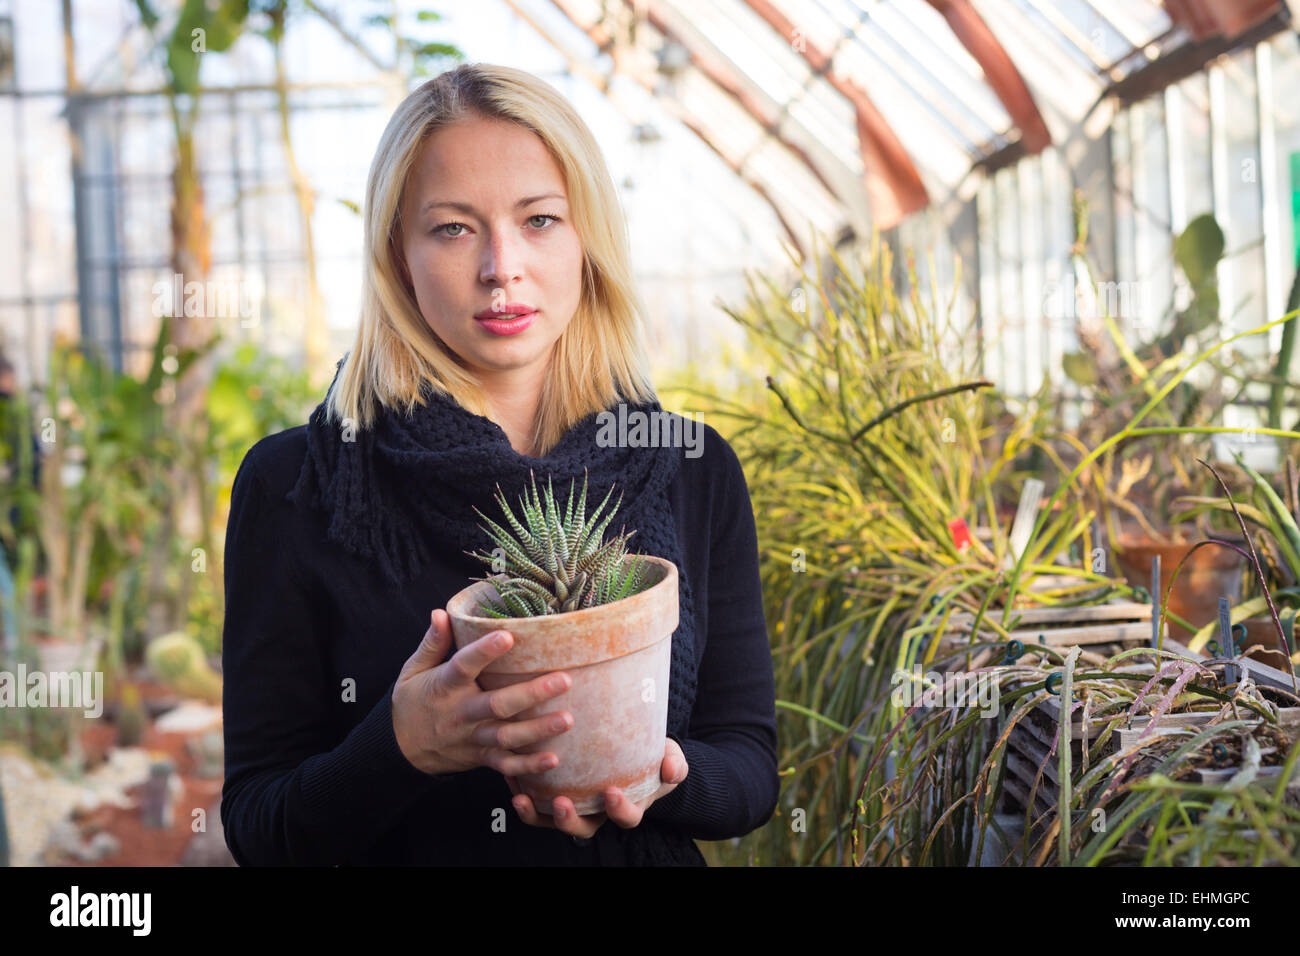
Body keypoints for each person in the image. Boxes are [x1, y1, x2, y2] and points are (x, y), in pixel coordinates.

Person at [219, 63, 778, 866]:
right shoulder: (299, 484)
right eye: (452, 228)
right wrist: (400, 746)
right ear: (396, 254)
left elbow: (751, 767)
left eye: (541, 220)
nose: (500, 266)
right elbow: (259, 823)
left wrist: (661, 776)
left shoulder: (690, 467)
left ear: (589, 238)